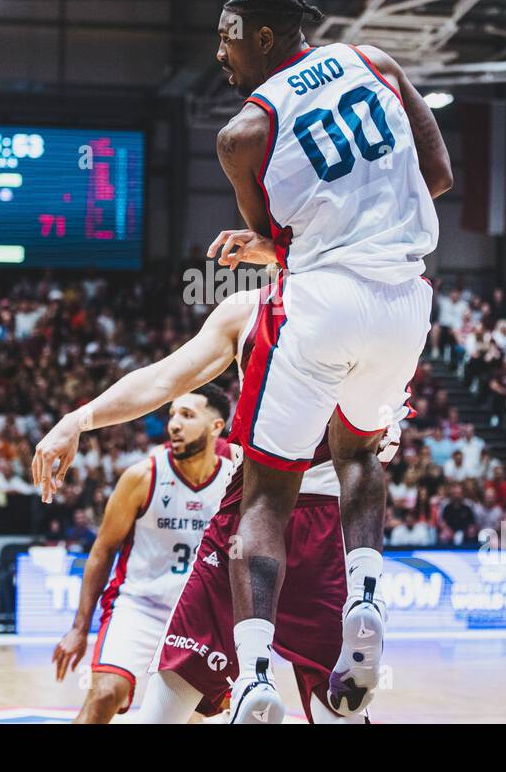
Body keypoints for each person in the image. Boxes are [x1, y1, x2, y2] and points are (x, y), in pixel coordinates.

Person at [203, 0, 453, 719]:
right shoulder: (377, 62)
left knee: (266, 491)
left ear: (267, 40)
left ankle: (252, 675)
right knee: (359, 455)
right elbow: (435, 176)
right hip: (406, 299)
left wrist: (287, 239)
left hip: (320, 301)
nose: (220, 51)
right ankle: (367, 600)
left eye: (229, 36)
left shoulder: (241, 134)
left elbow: (282, 242)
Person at [34, 286, 390, 724]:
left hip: (255, 508)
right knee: (339, 713)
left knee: (166, 708)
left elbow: (162, 379)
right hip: (329, 517)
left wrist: (78, 419)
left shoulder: (250, 308)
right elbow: (377, 436)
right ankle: (358, 601)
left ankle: (254, 679)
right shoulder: (374, 306)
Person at [46, 386, 233, 723]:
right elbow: (102, 552)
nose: (174, 423)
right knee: (104, 693)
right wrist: (78, 628)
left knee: (197, 717)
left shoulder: (234, 478)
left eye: (188, 415)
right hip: (140, 607)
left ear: (216, 426)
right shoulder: (143, 476)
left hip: (199, 617)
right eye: (172, 414)